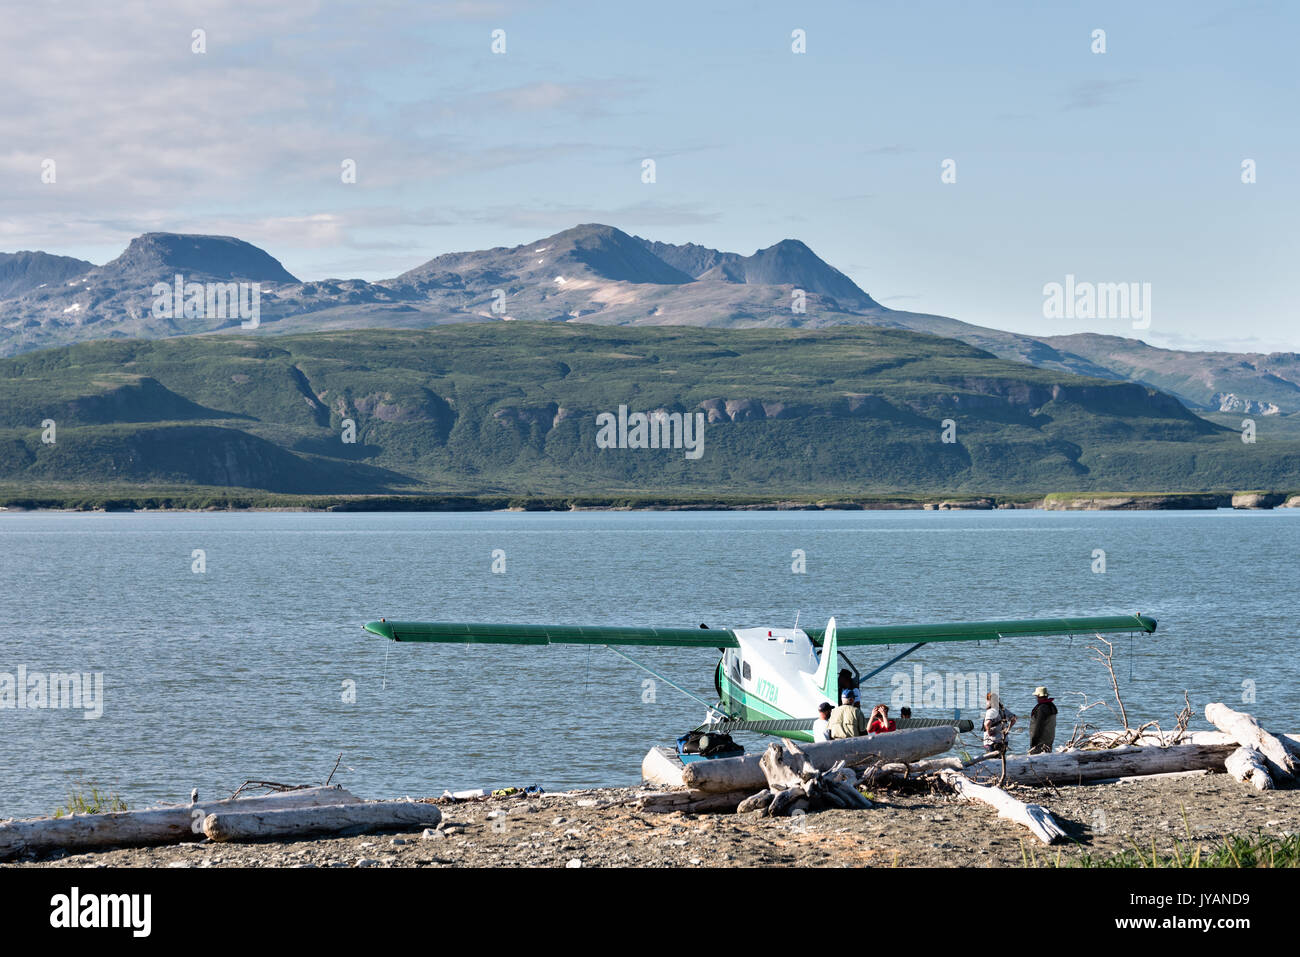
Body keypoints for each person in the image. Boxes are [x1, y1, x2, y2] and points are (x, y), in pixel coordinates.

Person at [1029, 686, 1058, 754]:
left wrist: (1034, 742)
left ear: (1039, 696)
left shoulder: (1042, 708)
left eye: (1036, 696)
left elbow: (1039, 726)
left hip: (1040, 741)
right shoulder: (1052, 705)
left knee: (1035, 760)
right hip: (1049, 739)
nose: (1036, 698)